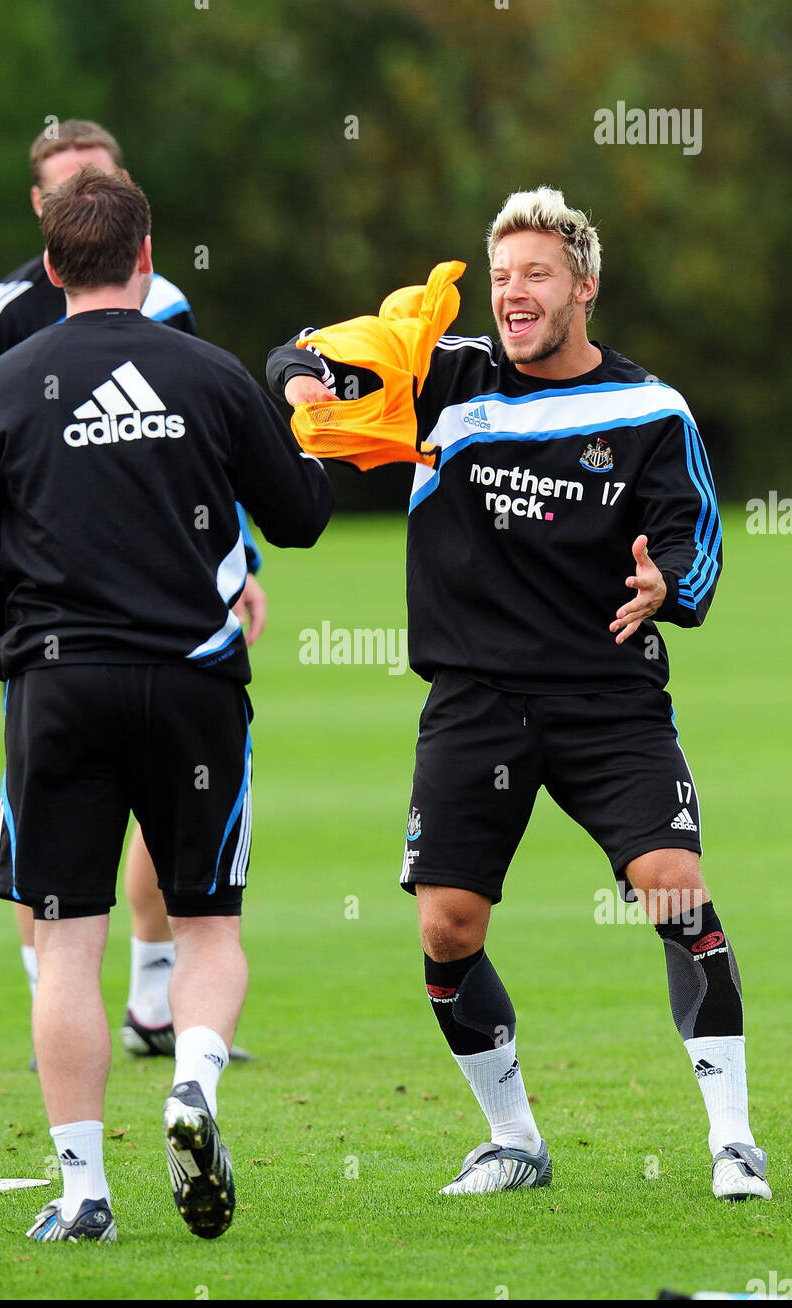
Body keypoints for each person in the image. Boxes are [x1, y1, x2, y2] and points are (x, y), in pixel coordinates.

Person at [267, 186, 769, 1203]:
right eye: (499, 278)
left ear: (581, 286)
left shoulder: (646, 409)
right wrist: (307, 385)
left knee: (672, 880)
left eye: (534, 273)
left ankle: (732, 1139)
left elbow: (695, 536)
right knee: (446, 930)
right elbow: (301, 351)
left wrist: (665, 583)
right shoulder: (444, 380)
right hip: (476, 698)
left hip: (604, 694)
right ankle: (512, 1140)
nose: (511, 294)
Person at [0, 168, 332, 1241]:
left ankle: (81, 1192)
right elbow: (296, 519)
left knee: (65, 943)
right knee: (206, 922)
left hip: (58, 684)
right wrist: (310, 421)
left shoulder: (4, 382)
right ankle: (193, 1081)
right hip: (195, 685)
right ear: (147, 256)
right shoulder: (208, 372)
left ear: (53, 267)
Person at [0, 119, 264, 1061]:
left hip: (86, 651)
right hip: (79, 633)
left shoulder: (174, 313)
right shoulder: (4, 319)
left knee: (140, 826)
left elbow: (204, 455)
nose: (84, 194)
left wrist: (240, 566)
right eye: (69, 184)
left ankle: (148, 1013)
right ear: (42, 212)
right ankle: (94, 1022)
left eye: (98, 179)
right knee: (94, 860)